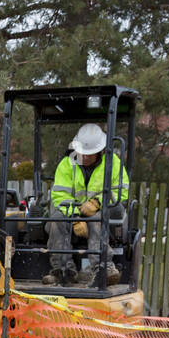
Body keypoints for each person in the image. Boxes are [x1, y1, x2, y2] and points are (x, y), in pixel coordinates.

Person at [45, 123, 129, 287]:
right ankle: (64, 272)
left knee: (97, 220)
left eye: (89, 154)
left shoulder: (113, 164)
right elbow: (59, 195)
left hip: (100, 212)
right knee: (57, 221)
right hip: (72, 212)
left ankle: (103, 269)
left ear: (100, 151)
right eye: (82, 152)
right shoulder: (67, 164)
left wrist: (97, 202)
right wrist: (75, 218)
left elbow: (122, 192)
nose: (85, 156)